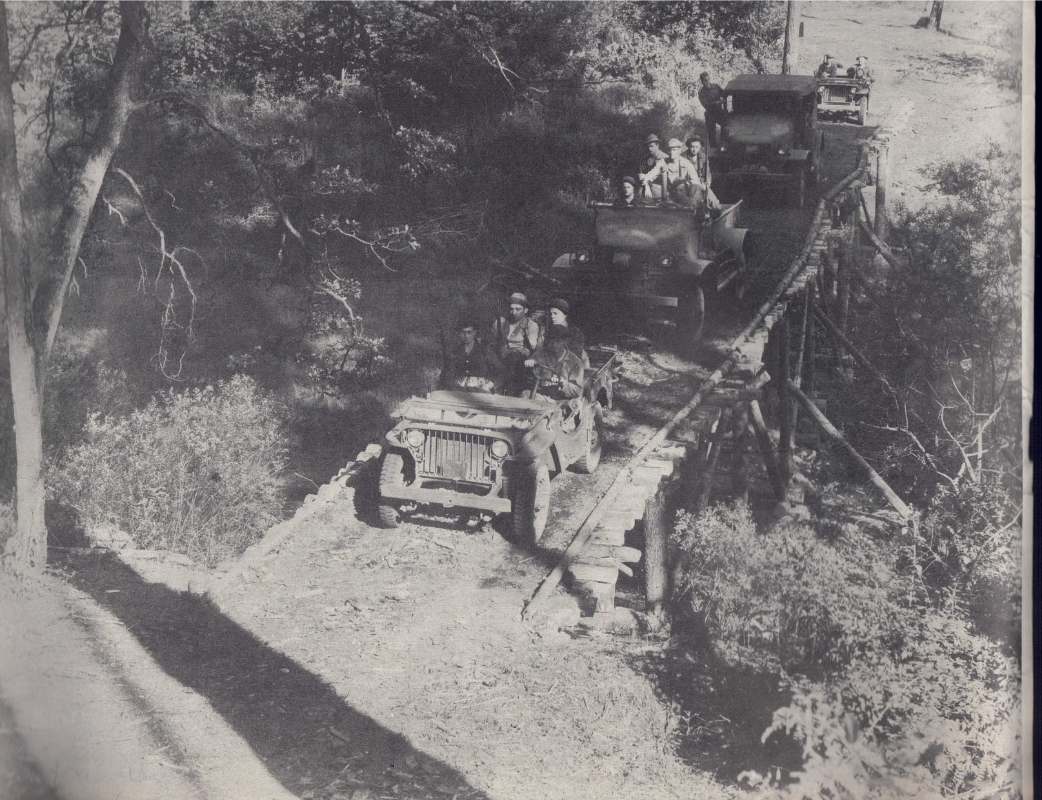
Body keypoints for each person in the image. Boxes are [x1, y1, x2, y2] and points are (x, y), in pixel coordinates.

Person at [492, 291, 542, 395]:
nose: (513, 312)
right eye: (511, 308)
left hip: (519, 364)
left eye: (518, 309)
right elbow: (492, 343)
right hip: (500, 360)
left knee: (514, 358)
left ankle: (498, 388)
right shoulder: (501, 322)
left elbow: (534, 348)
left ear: (526, 310)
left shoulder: (530, 325)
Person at [440, 319, 497, 392]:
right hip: (459, 391)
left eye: (469, 332)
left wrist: (490, 384)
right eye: (463, 333)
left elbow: (501, 371)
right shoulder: (454, 352)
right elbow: (446, 374)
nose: (466, 336)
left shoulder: (484, 350)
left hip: (482, 391)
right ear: (459, 334)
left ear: (474, 333)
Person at [641, 138, 703, 206]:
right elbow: (650, 175)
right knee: (645, 191)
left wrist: (688, 188)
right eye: (669, 150)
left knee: (695, 191)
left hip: (682, 193)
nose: (671, 153)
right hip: (667, 193)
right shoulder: (663, 162)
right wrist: (646, 185)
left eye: (674, 150)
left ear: (679, 151)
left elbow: (696, 182)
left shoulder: (686, 163)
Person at [542, 298, 586, 364]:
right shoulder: (550, 332)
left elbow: (575, 355)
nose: (552, 317)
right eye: (551, 314)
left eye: (555, 313)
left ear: (565, 315)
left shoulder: (576, 333)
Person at [697, 72, 726, 147]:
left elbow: (724, 93)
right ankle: (714, 148)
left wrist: (727, 95)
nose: (707, 82)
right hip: (710, 114)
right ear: (702, 81)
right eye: (705, 80)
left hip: (719, 112)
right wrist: (718, 102)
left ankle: (723, 143)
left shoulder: (716, 86)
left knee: (726, 125)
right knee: (711, 133)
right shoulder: (701, 92)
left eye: (708, 79)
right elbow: (706, 105)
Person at [637, 134, 667, 200]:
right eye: (648, 147)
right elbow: (641, 173)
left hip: (661, 188)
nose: (649, 149)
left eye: (652, 146)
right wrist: (646, 184)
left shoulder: (664, 158)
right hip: (647, 185)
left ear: (657, 146)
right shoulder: (646, 159)